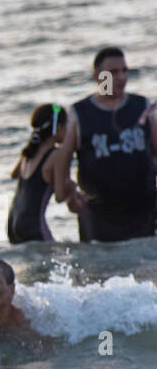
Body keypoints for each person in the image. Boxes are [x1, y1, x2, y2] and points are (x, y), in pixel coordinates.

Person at [49, 47, 157, 242]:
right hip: (99, 215)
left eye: (125, 71)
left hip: (144, 209)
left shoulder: (141, 106)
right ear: (98, 76)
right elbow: (62, 158)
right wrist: (67, 194)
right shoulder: (80, 113)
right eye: (113, 72)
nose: (121, 77)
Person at [6, 104, 65, 244]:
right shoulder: (56, 154)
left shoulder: (29, 153)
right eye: (67, 124)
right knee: (55, 262)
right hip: (33, 224)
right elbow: (60, 196)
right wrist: (71, 186)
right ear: (59, 127)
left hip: (13, 220)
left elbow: (14, 175)